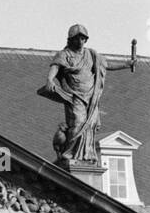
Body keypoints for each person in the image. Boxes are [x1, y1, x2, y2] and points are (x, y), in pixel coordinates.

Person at [43, 24, 134, 164]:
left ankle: (86, 155)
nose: (80, 42)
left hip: (91, 95)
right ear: (71, 39)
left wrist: (126, 64)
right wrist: (50, 79)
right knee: (78, 123)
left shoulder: (91, 55)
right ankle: (70, 153)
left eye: (83, 39)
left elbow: (107, 65)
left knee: (90, 126)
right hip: (74, 95)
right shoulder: (64, 54)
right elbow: (55, 66)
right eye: (77, 39)